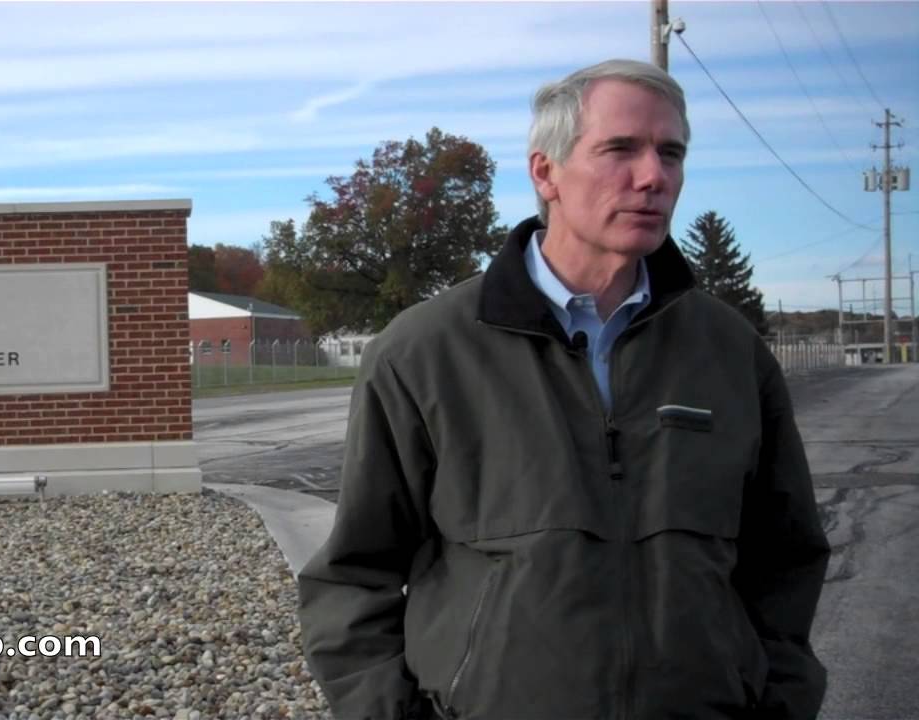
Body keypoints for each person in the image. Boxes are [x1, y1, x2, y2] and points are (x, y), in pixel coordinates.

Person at [296, 59, 830, 720]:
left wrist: (780, 700)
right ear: (545, 171)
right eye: (620, 149)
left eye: (671, 153)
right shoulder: (424, 352)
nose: (653, 176)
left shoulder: (730, 351)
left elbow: (786, 558)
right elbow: (354, 576)